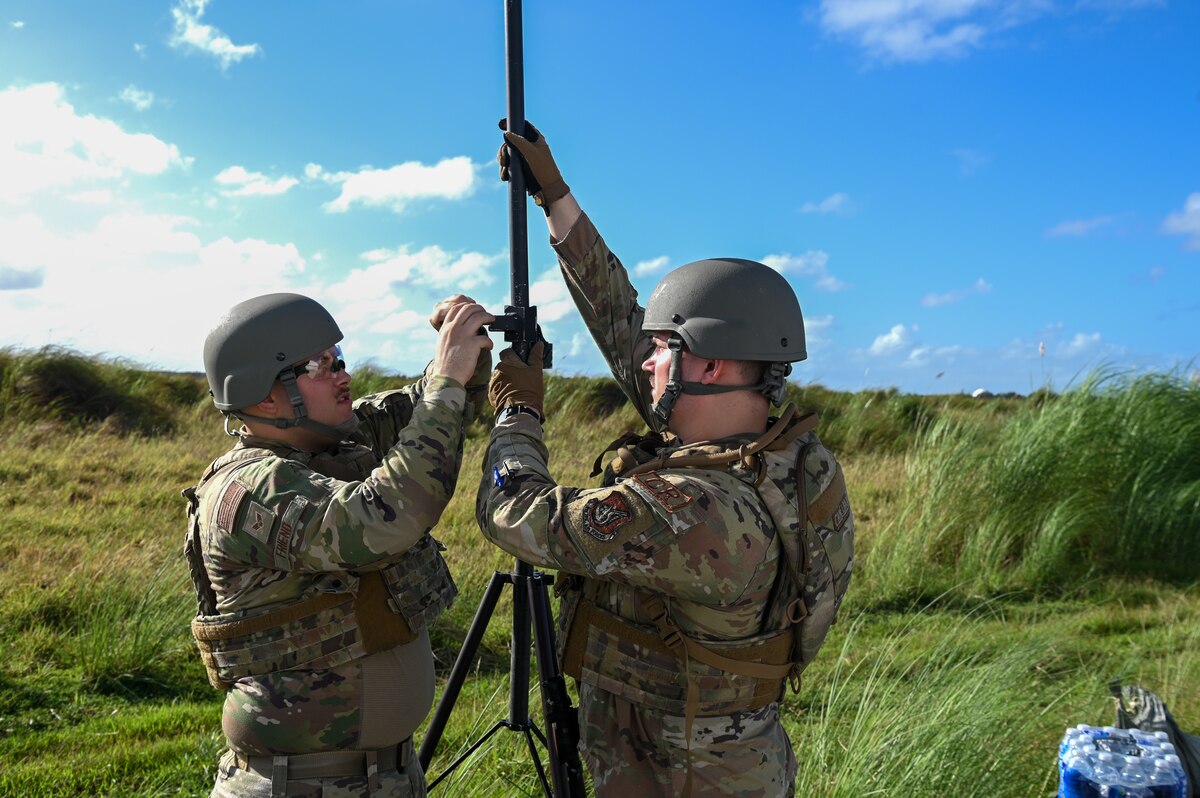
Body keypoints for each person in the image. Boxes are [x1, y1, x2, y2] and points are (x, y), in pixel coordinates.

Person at [476, 123, 854, 797]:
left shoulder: (695, 510)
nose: (644, 361)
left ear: (708, 364)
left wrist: (518, 413)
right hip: (733, 756)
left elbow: (516, 514)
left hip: (672, 772)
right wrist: (556, 199)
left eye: (663, 349)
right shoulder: (784, 451)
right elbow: (627, 327)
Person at [184, 292, 494, 798]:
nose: (343, 376)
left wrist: (466, 348)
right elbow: (385, 520)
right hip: (301, 785)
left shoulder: (338, 441)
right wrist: (448, 379)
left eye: (339, 361)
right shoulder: (249, 491)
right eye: (318, 366)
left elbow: (429, 408)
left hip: (384, 776)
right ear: (264, 396)